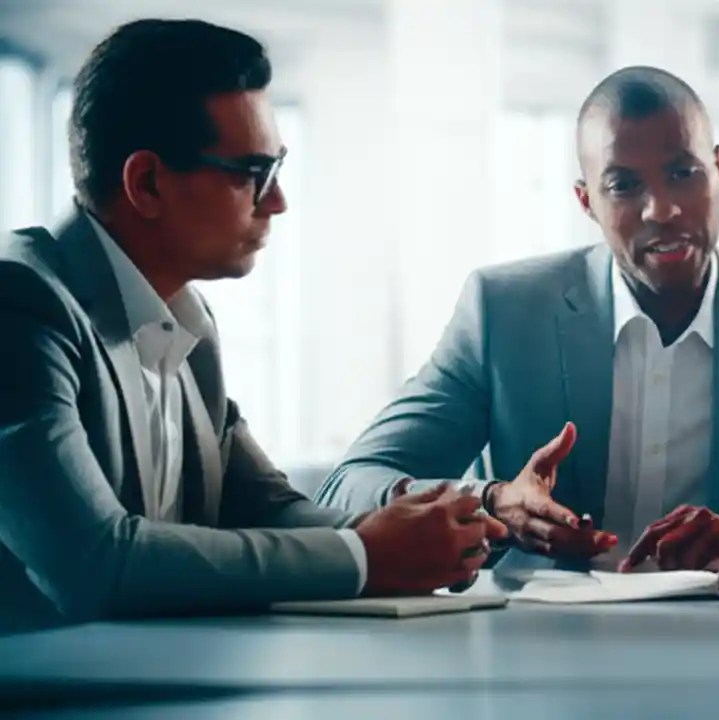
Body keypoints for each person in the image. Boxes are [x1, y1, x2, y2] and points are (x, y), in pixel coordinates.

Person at [315, 66, 719, 574]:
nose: (662, 210)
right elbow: (350, 486)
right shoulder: (504, 311)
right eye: (623, 185)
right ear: (586, 201)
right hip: (535, 652)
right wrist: (491, 501)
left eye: (683, 173)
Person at [0, 19, 504, 633]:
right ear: (147, 182)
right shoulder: (21, 306)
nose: (278, 200)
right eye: (251, 172)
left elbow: (268, 508)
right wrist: (368, 555)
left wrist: (442, 531)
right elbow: (95, 562)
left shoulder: (187, 323)